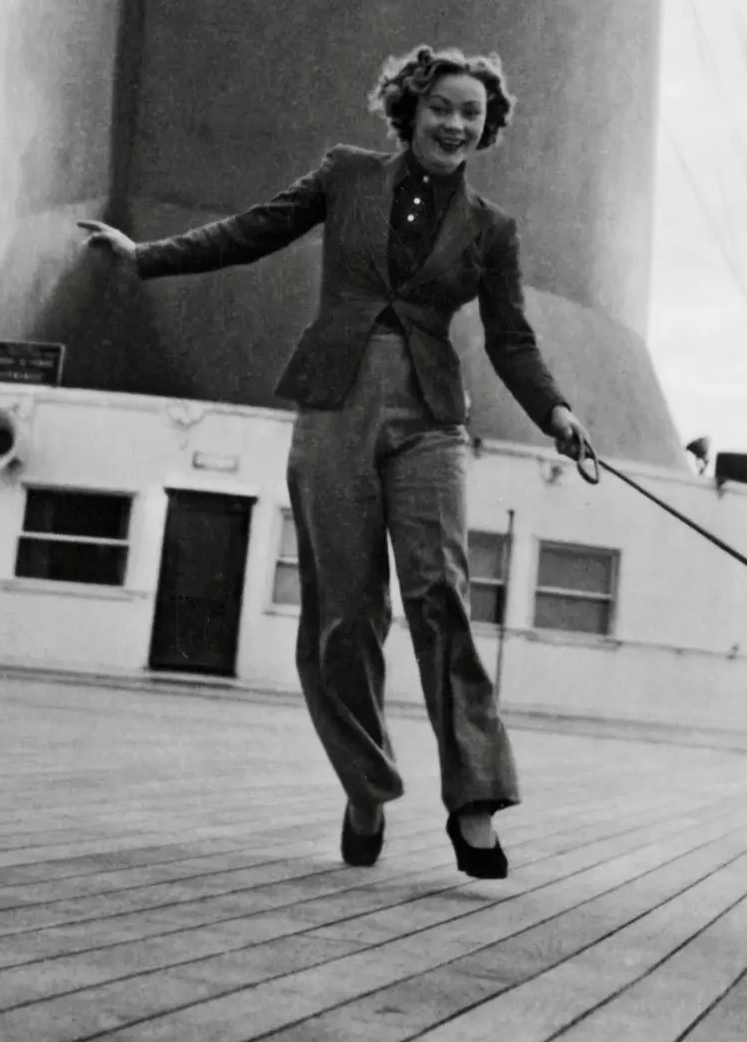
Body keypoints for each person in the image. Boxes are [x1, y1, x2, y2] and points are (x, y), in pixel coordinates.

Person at [79, 45, 590, 880]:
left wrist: (558, 411)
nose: (456, 123)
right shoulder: (348, 176)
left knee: (441, 597)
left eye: (472, 114)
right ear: (410, 109)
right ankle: (365, 786)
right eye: (442, 107)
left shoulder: (493, 231)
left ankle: (473, 802)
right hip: (334, 403)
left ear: (486, 127)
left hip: (430, 417)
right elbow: (253, 230)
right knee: (344, 614)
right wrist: (146, 256)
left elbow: (512, 339)